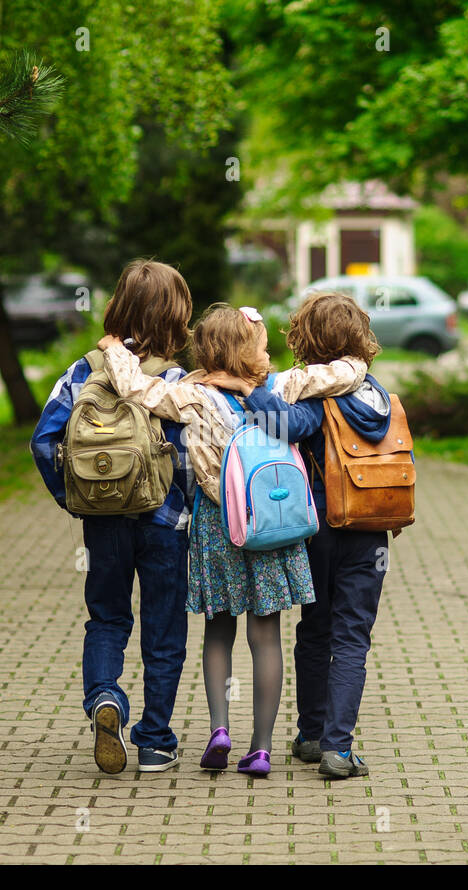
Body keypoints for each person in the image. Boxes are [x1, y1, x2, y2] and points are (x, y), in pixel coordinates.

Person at [97, 303, 365, 777]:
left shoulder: (192, 395)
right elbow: (346, 372)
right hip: (270, 524)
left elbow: (137, 389)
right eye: (263, 345)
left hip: (217, 526)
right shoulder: (280, 386)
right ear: (247, 351)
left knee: (218, 631)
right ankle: (260, 748)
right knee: (266, 636)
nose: (269, 353)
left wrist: (116, 350)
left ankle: (220, 728)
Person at [218, 292, 392, 779]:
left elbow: (280, 424)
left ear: (306, 342)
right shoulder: (377, 395)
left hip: (320, 531)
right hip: (372, 530)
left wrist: (249, 389)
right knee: (353, 635)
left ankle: (316, 737)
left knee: (315, 629)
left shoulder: (319, 399)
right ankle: (338, 746)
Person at [30, 259, 195, 774]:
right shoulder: (177, 381)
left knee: (107, 618)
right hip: (165, 524)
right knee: (163, 629)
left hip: (102, 521)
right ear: (176, 316)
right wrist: (187, 508)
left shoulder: (83, 370)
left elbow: (43, 441)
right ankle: (155, 741)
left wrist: (75, 498)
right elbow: (195, 453)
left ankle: (106, 698)